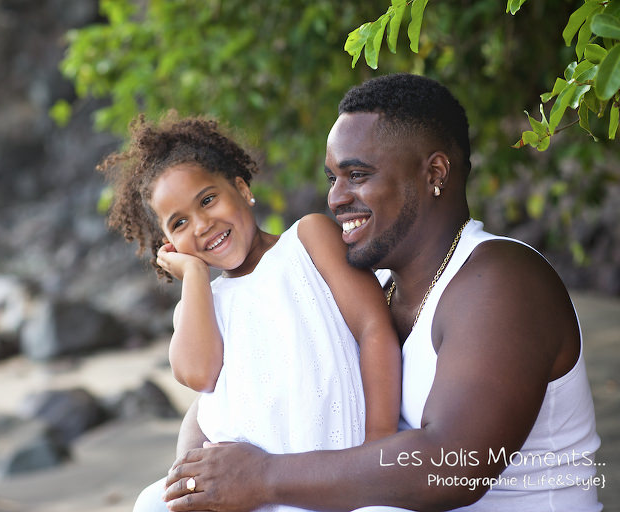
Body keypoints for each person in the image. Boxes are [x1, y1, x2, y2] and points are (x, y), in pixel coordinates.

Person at [162, 74, 602, 511]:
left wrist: (264, 477)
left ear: (434, 172)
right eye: (333, 178)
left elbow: (450, 467)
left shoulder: (502, 282)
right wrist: (192, 472)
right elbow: (239, 386)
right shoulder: (388, 293)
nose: (335, 198)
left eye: (356, 174)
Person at [102, 113, 402, 511]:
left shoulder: (307, 242)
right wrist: (193, 274)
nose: (204, 224)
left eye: (208, 200)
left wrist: (376, 451)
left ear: (242, 188)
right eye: (180, 223)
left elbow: (373, 330)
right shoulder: (202, 308)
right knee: (150, 503)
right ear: (169, 244)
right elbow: (197, 374)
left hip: (335, 476)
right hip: (251, 496)